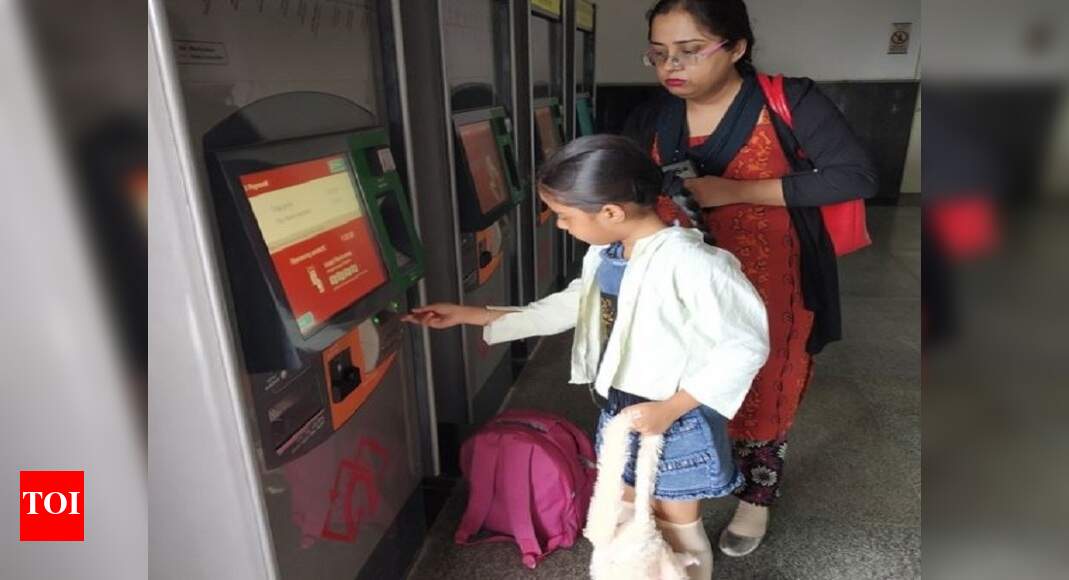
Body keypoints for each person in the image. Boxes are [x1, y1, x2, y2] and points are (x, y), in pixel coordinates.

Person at [404, 135, 769, 579]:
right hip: (623, 408)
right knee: (631, 518)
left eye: (565, 216)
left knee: (678, 529)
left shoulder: (694, 263)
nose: (560, 225)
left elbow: (745, 345)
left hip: (675, 418)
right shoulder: (608, 252)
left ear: (611, 212)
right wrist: (473, 315)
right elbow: (573, 305)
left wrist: (672, 408)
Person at [622, 0, 878, 557]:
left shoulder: (790, 100)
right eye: (659, 54)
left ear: (736, 47)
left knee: (765, 383)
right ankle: (684, 496)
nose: (672, 66)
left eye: (690, 51)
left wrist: (736, 191)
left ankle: (755, 499)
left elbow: (854, 175)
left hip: (773, 277)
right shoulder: (652, 116)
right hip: (682, 282)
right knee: (679, 384)